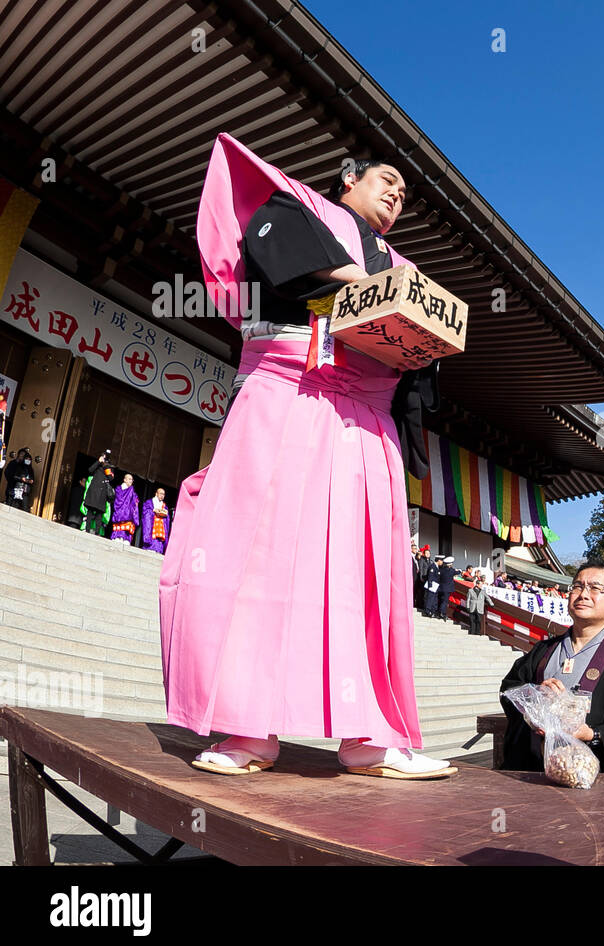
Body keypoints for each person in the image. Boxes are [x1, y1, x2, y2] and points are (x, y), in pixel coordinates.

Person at [162, 134, 452, 780]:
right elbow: (275, 252)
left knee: (365, 574)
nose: (396, 197)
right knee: (260, 556)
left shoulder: (401, 266)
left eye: (404, 195)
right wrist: (379, 285)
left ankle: (371, 739)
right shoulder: (297, 207)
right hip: (291, 394)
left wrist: (420, 328)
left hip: (367, 421)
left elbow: (418, 357)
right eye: (387, 182)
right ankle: (247, 729)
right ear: (347, 178)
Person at [499, 561, 604, 772]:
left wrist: (593, 734)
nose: (583, 594)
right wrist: (536, 696)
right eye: (577, 587)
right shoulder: (543, 650)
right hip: (534, 771)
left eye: (596, 588)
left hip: (598, 777)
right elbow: (509, 689)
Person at [80, 455, 115, 537]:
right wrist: (98, 461)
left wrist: (106, 466)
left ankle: (97, 532)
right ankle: (87, 529)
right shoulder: (97, 466)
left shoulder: (109, 468)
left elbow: (110, 478)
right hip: (93, 491)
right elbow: (90, 470)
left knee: (99, 514)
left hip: (102, 494)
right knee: (90, 511)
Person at [108, 473, 140, 544]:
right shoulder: (118, 489)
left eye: (131, 479)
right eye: (129, 479)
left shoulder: (132, 491)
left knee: (126, 529)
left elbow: (134, 503)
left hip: (128, 514)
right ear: (124, 479)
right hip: (119, 511)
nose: (130, 481)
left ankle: (125, 538)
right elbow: (117, 501)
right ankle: (117, 537)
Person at [3, 447, 35, 511]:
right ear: (18, 454)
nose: (22, 456)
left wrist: (28, 480)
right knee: (10, 505)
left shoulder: (28, 468)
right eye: (21, 454)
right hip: (12, 487)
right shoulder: (13, 463)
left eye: (24, 456)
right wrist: (18, 479)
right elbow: (8, 473)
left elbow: (31, 477)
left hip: (23, 491)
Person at [141, 487, 171, 554]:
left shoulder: (164, 506)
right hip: (152, 523)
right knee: (152, 535)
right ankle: (149, 547)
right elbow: (145, 511)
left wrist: (166, 514)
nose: (162, 495)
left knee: (159, 539)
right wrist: (153, 510)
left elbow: (167, 517)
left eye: (163, 494)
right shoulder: (149, 502)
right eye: (160, 493)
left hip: (160, 525)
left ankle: (158, 549)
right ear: (156, 494)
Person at [435, 555, 457, 619]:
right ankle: (442, 613)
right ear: (450, 564)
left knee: (441, 600)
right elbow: (458, 572)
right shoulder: (451, 570)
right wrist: (460, 571)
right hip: (447, 589)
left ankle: (439, 612)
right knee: (445, 601)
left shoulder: (441, 570)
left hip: (441, 588)